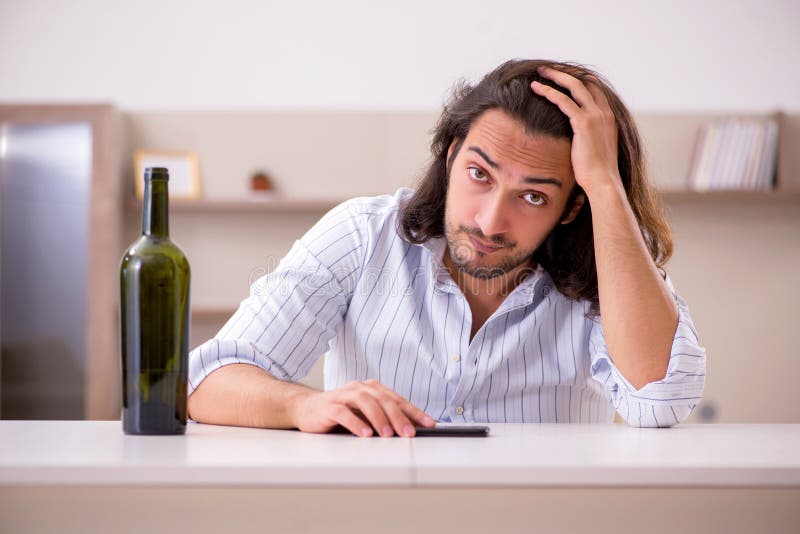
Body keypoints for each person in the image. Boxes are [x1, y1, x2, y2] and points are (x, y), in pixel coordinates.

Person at [187, 59, 706, 437]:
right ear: (452, 153)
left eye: (533, 195)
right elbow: (205, 383)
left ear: (573, 206)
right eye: (479, 174)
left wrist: (606, 185)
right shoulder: (362, 236)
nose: (489, 220)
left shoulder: (605, 271)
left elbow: (661, 401)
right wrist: (302, 406)